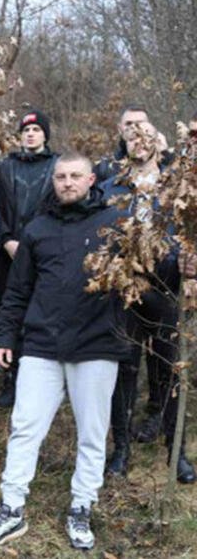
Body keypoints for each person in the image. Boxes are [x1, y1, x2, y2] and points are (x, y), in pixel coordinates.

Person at [0, 153, 129, 550]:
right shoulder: (37, 228)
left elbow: (142, 278)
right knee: (26, 427)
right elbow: (18, 290)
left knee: (92, 433)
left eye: (75, 176)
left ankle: (81, 507)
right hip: (41, 344)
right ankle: (11, 507)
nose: (67, 183)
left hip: (96, 345)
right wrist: (5, 337)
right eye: (60, 176)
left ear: (91, 179)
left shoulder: (114, 224)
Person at [98, 122, 195, 482]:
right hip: (124, 291)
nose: (139, 143)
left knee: (171, 371)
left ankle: (176, 451)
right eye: (131, 137)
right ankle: (120, 449)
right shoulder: (110, 188)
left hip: (167, 289)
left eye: (146, 136)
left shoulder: (177, 187)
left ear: (158, 142)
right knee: (124, 371)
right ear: (123, 143)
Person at [0, 110, 58, 407]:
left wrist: (35, 243)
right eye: (26, 130)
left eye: (37, 129)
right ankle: (10, 380)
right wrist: (6, 239)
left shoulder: (56, 166)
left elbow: (56, 207)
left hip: (43, 251)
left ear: (45, 135)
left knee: (40, 316)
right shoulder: (4, 168)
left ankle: (39, 381)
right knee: (9, 313)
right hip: (9, 252)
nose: (31, 134)